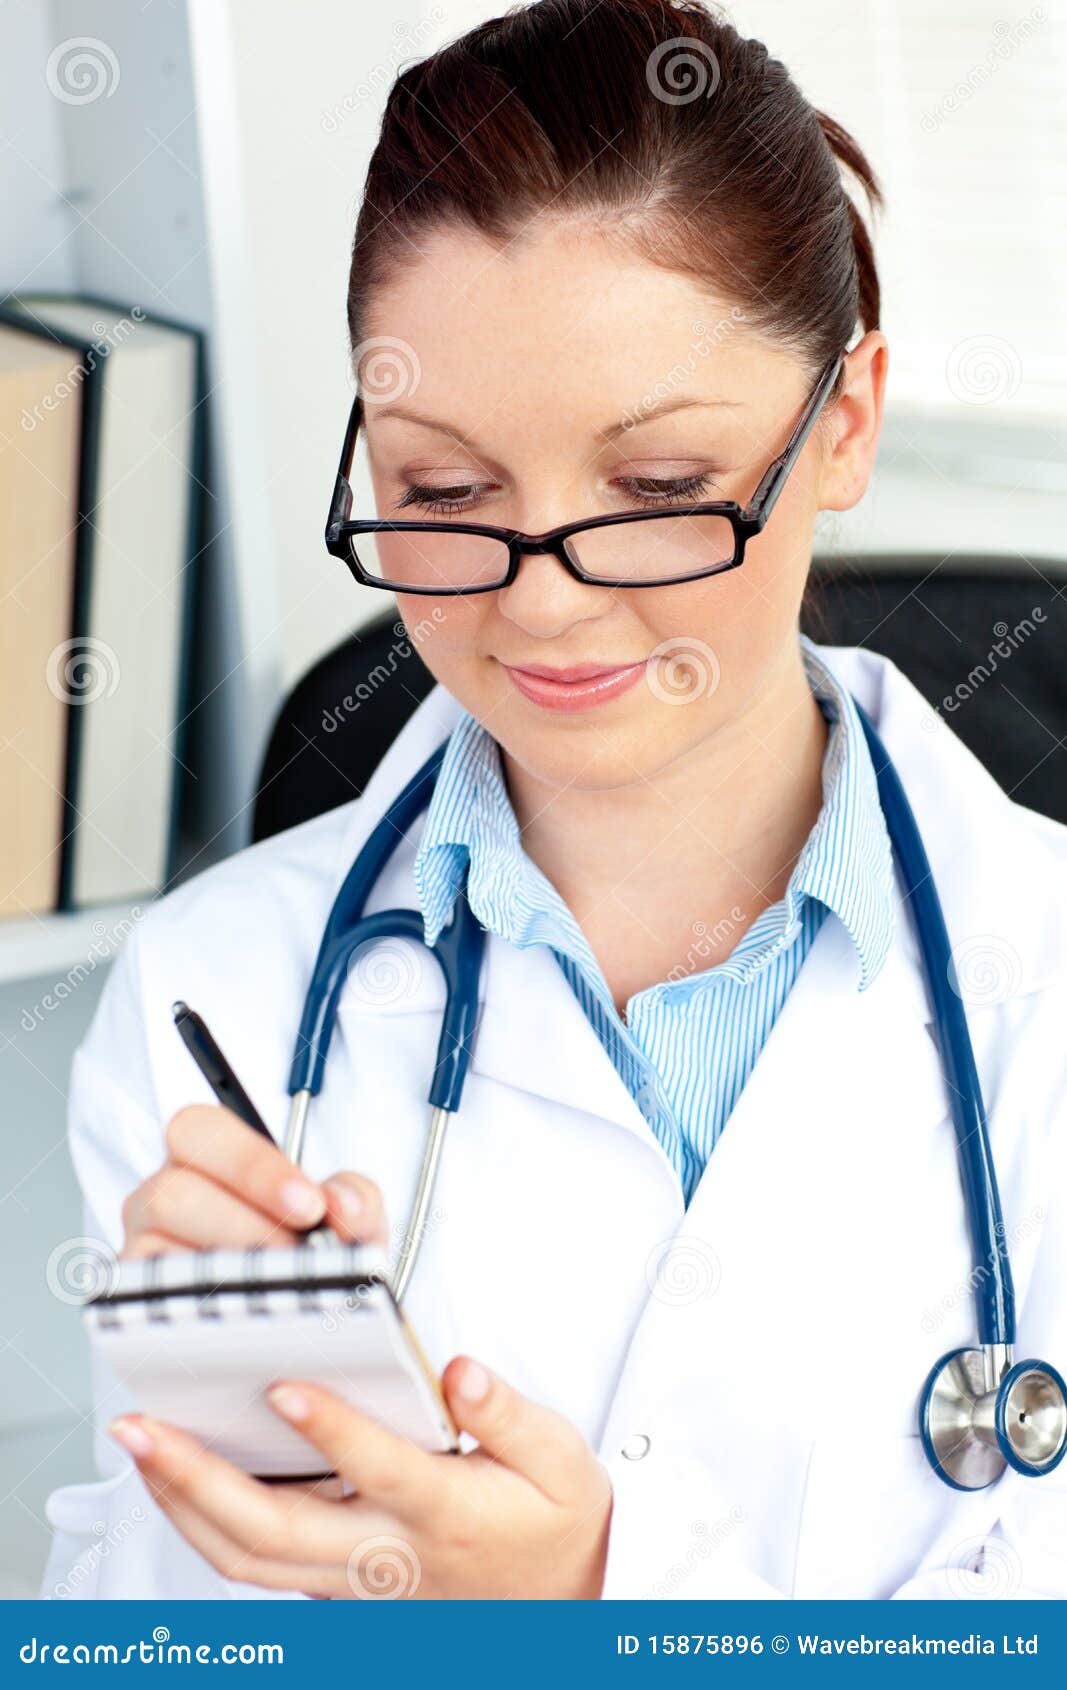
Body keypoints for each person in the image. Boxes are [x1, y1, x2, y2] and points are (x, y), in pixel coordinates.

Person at [43, 0, 1067, 1600]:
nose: (544, 603)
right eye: (443, 492)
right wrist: (248, 1502)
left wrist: (593, 1600)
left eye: (657, 492)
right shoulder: (215, 1010)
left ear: (846, 424)